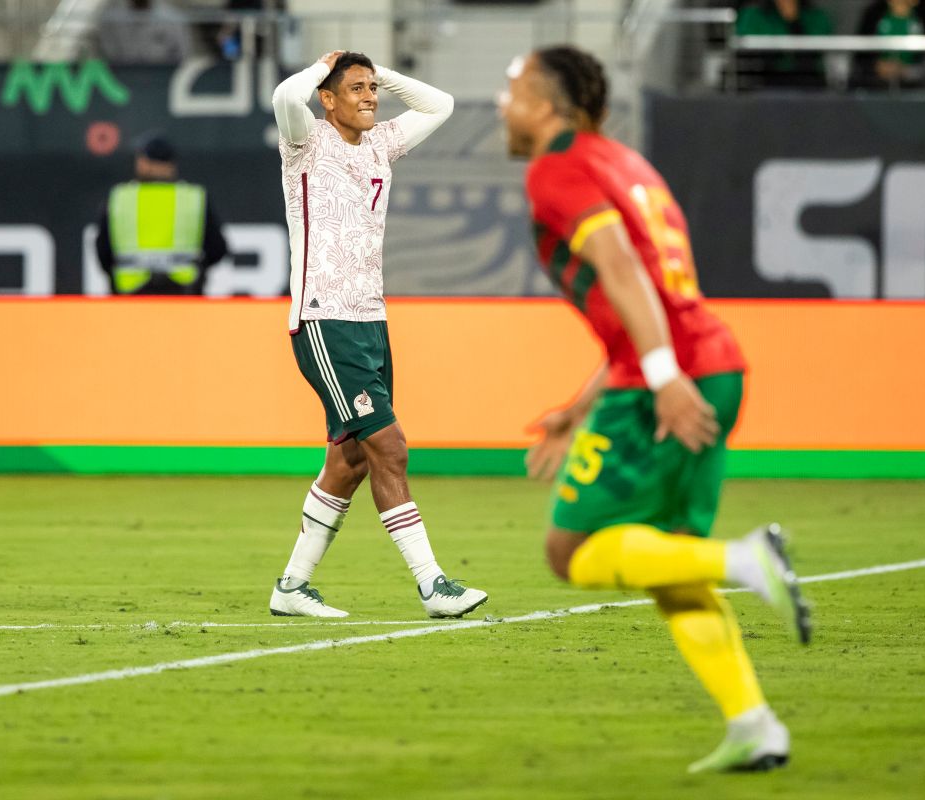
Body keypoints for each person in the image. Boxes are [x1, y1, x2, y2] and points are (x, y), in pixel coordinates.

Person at [499, 45, 812, 773]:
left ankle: (746, 558)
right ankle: (754, 725)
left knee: (571, 551)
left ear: (544, 105)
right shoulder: (626, 164)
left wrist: (664, 377)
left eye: (511, 92)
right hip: (710, 365)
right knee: (667, 564)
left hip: (667, 380)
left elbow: (619, 268)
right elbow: (649, 295)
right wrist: (582, 406)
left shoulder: (556, 169)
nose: (502, 107)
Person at [268, 51, 488, 619]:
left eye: (374, 89)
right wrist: (325, 66)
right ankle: (432, 585)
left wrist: (375, 72)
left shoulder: (381, 143)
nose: (370, 97)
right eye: (357, 89)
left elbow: (440, 105)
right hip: (324, 321)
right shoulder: (305, 142)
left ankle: (292, 587)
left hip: (371, 321)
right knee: (389, 447)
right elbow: (285, 97)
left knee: (351, 462)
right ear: (328, 98)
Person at [95, 132, 229, 296]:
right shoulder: (193, 197)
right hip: (183, 294)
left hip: (130, 296)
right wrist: (197, 271)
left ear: (145, 162)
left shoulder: (120, 197)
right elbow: (217, 249)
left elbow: (103, 251)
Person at [733, 0, 834, 88]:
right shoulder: (752, 15)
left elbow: (814, 54)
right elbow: (749, 55)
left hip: (809, 85)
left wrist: (793, 21)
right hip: (764, 85)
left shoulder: (816, 16)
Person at [855, 0, 925, 88]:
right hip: (876, 83)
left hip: (914, 85)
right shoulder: (874, 14)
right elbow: (861, 55)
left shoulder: (924, 15)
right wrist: (876, 66)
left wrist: (907, 70)